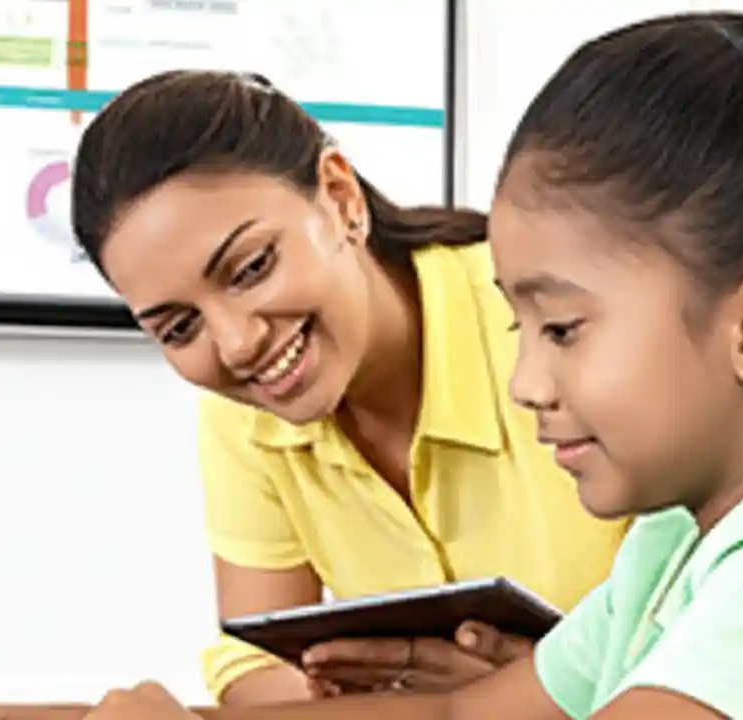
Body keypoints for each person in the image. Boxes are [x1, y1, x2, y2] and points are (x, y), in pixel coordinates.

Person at [77, 0, 743, 717]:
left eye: (563, 330)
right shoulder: (671, 542)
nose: (526, 385)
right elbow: (456, 712)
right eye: (519, 329)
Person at [68, 67, 629, 703]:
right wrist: (385, 697)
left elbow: (727, 638)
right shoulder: (246, 417)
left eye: (251, 268)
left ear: (340, 199)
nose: (235, 343)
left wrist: (524, 693)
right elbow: (248, 664)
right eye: (178, 327)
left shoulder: (547, 324)